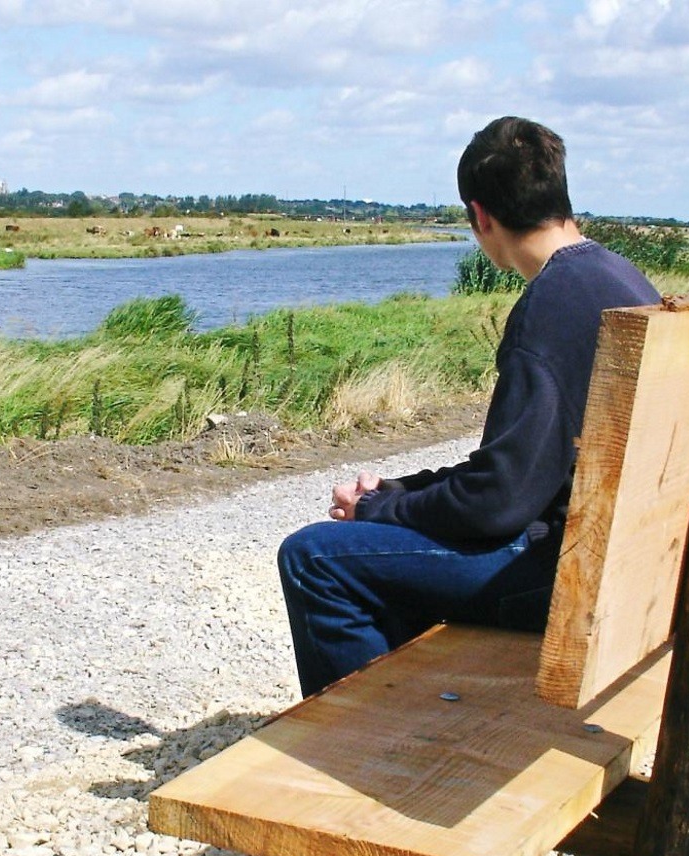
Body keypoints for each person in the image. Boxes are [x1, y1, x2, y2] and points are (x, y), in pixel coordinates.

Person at [277, 116, 661, 697]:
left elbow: (499, 504)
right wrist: (399, 492)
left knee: (314, 558)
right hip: (635, 552)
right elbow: (524, 470)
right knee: (383, 552)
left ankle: (367, 749)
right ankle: (422, 714)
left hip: (571, 572)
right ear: (559, 195)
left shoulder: (548, 311)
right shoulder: (619, 278)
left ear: (480, 216)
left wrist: (375, 513)